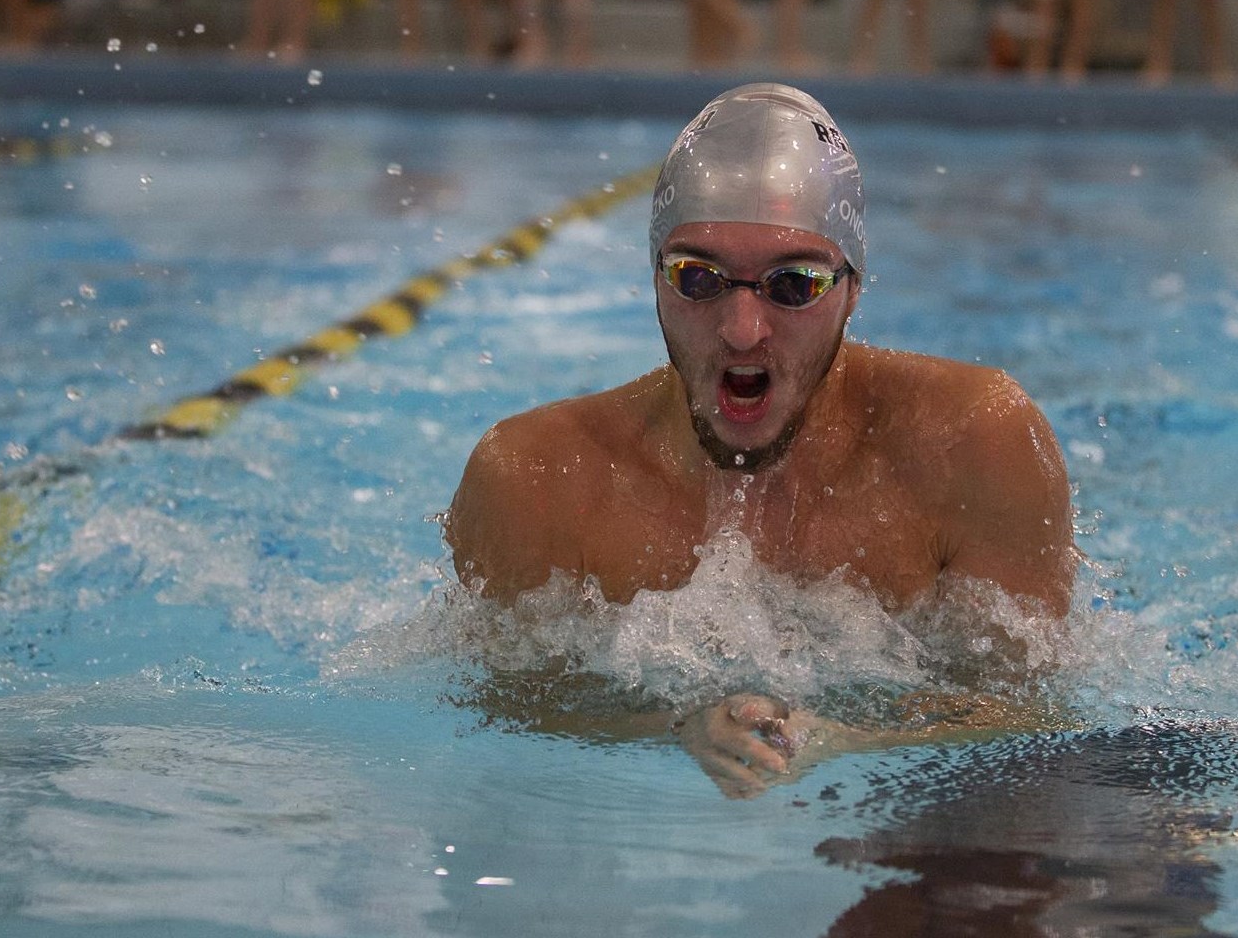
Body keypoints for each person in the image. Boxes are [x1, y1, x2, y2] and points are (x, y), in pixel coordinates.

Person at [442, 82, 1078, 797]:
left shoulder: (973, 443)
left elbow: (1033, 714)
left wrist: (860, 743)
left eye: (794, 284)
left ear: (854, 288)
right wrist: (671, 727)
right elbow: (502, 711)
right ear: (653, 279)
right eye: (698, 278)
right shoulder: (536, 479)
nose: (743, 329)